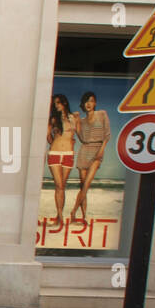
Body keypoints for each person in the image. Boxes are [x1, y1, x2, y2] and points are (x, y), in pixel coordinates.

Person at [72, 90, 110, 223]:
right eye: (86, 101)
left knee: (86, 184)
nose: (89, 104)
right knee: (83, 185)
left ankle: (73, 212)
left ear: (95, 103)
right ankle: (84, 216)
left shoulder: (102, 114)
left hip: (97, 149)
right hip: (84, 150)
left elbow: (107, 135)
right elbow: (82, 138)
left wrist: (101, 150)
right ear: (83, 104)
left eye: (91, 101)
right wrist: (77, 122)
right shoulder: (82, 120)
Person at [46, 94, 78, 230]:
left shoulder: (74, 118)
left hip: (68, 154)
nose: (56, 106)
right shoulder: (53, 119)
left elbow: (78, 134)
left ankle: (59, 218)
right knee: (59, 185)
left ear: (64, 103)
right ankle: (60, 217)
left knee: (62, 187)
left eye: (58, 103)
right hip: (55, 153)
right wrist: (54, 143)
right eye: (55, 104)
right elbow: (48, 135)